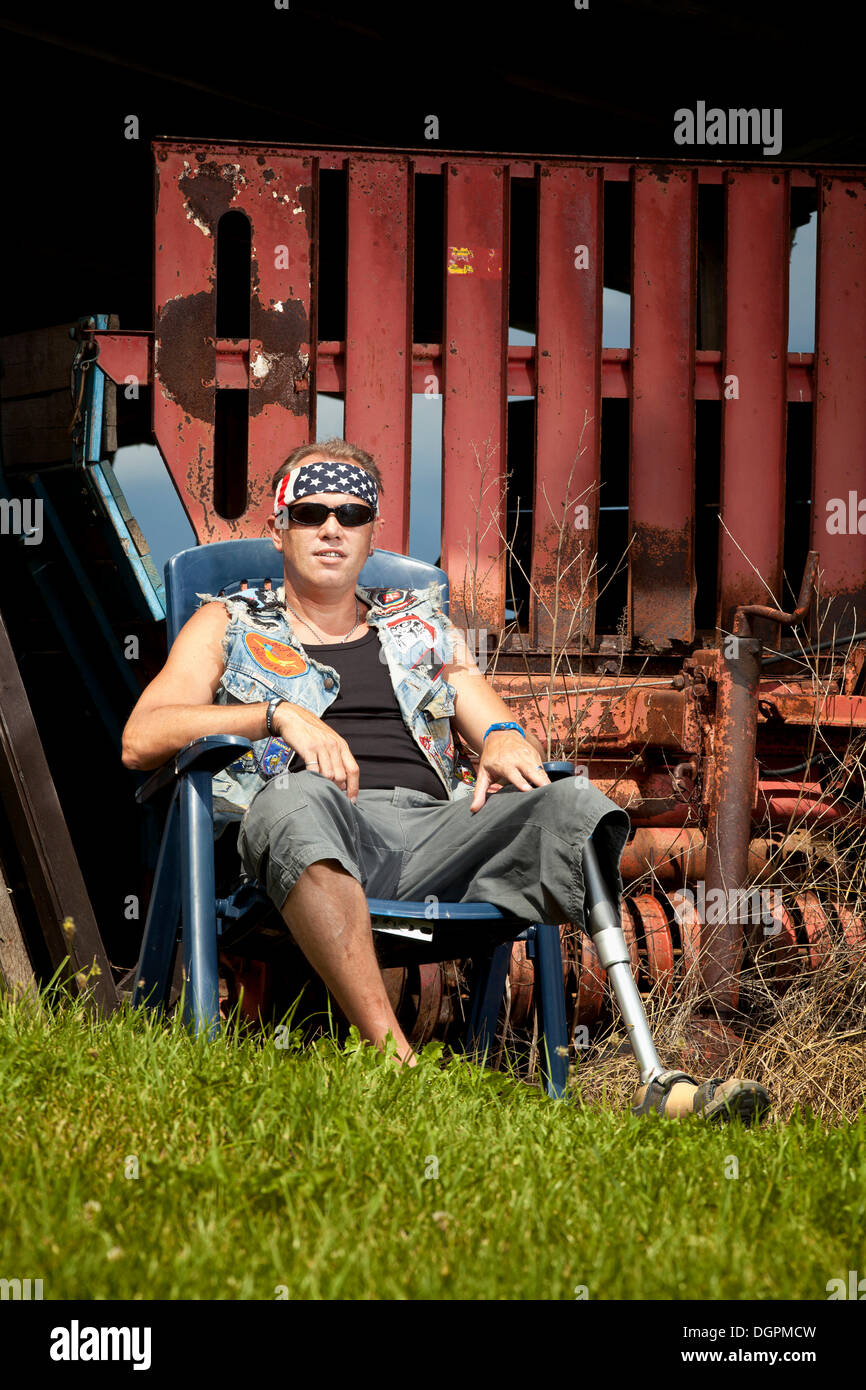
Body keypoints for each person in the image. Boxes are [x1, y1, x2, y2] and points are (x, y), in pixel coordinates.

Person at [121, 439, 770, 1124]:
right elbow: (142, 738)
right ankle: (396, 1064)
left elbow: (496, 724)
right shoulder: (228, 619)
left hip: (433, 836)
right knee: (294, 796)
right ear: (280, 527)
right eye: (311, 512)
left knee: (570, 802)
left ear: (372, 533)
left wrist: (499, 739)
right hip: (308, 823)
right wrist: (276, 715)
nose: (332, 528)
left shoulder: (418, 628)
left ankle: (654, 1076)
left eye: (351, 512)